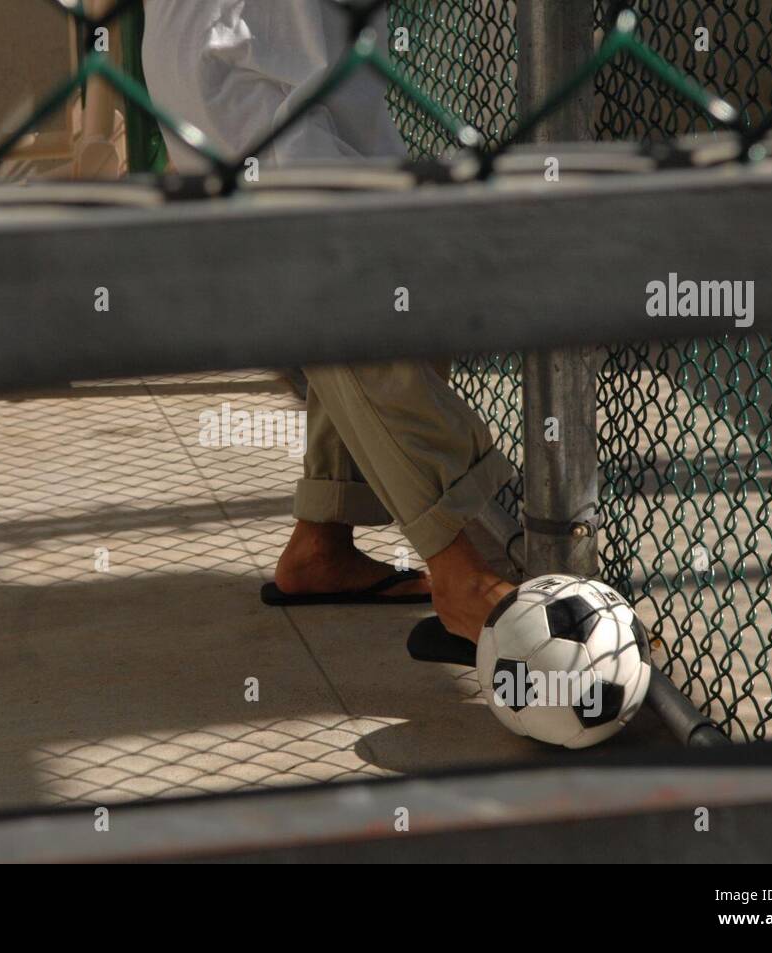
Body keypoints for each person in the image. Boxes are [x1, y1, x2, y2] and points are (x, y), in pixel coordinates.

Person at [141, 0, 516, 651]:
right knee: (352, 281)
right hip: (240, 49)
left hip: (316, 44)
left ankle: (322, 542)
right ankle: (460, 572)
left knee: (390, 265)